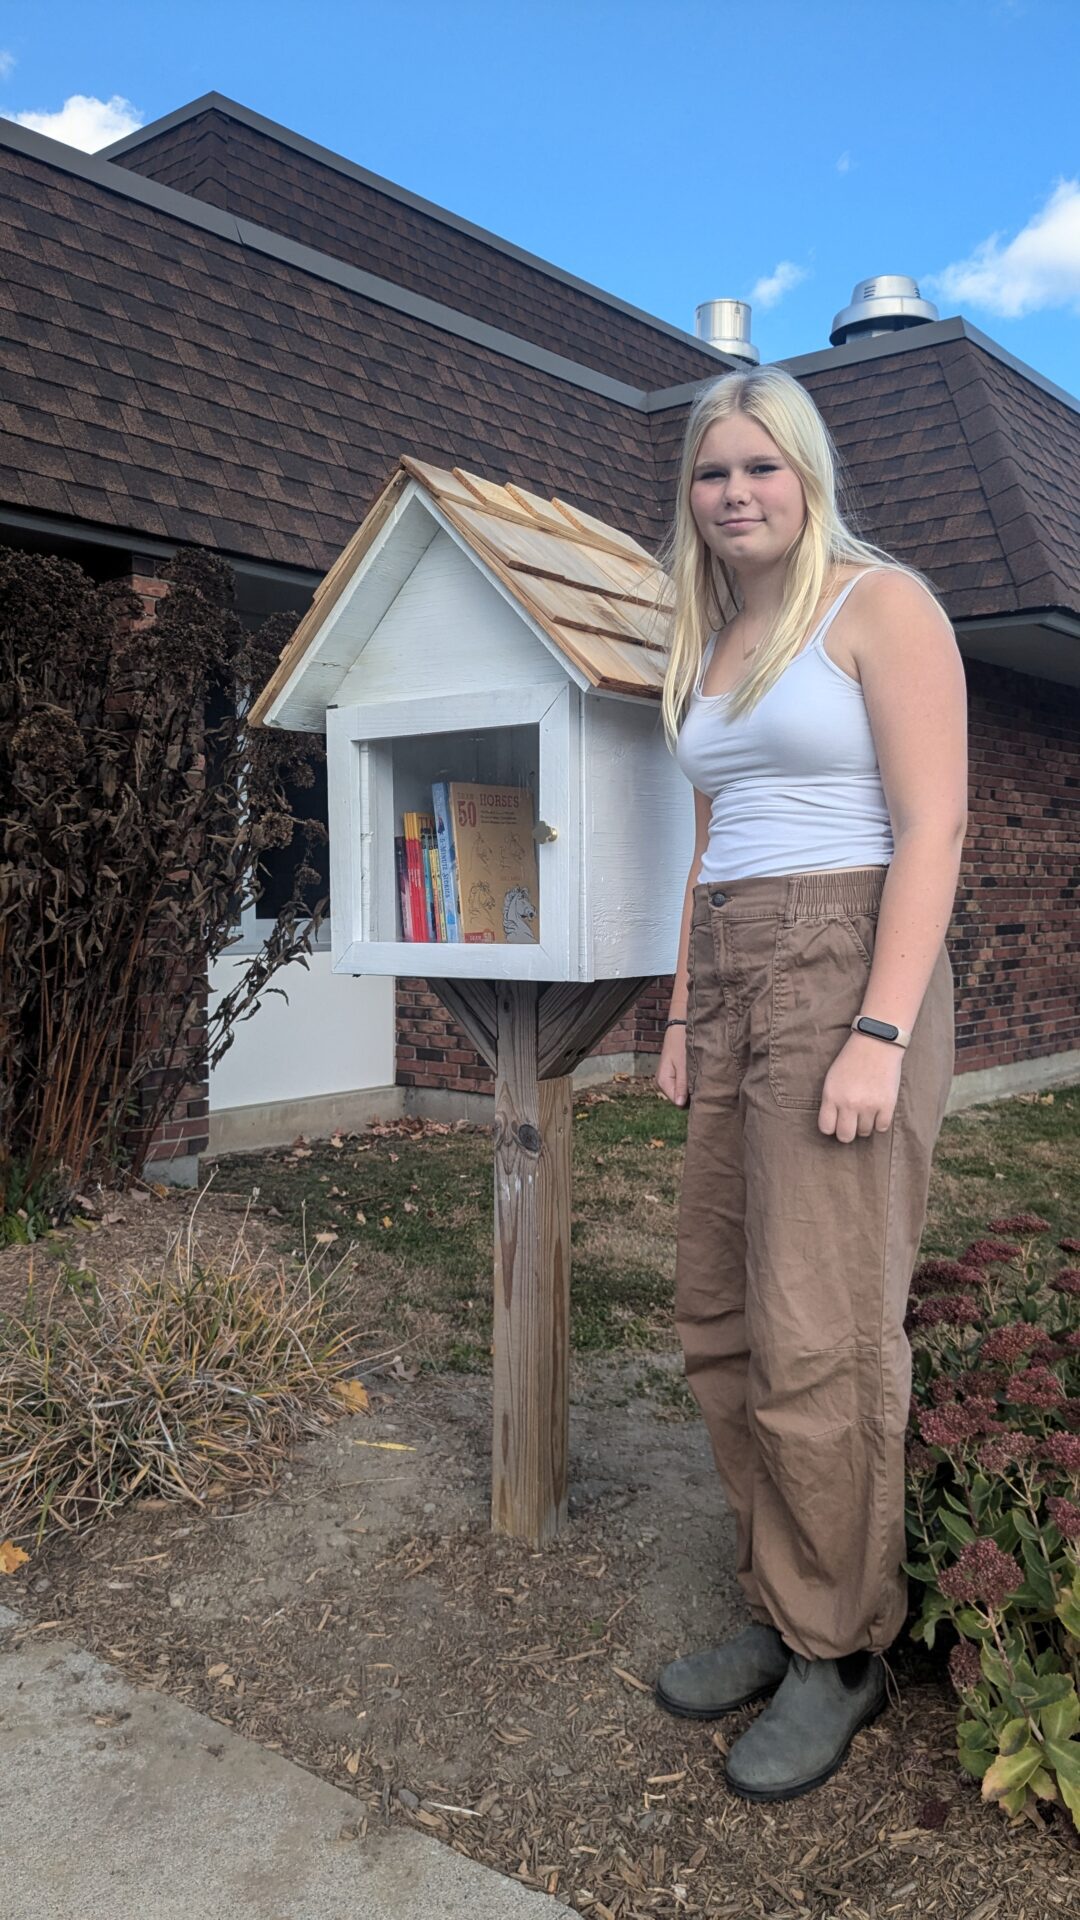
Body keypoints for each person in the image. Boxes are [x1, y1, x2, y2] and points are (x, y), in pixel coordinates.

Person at [652, 364, 967, 1803]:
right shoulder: (713, 636)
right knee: (719, 1312)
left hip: (846, 966)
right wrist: (676, 1012)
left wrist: (882, 1032)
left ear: (808, 473)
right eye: (715, 473)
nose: (737, 494)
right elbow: (712, 842)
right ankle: (787, 1606)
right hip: (730, 970)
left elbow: (937, 822)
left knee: (817, 1329)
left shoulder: (880, 605)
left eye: (761, 469)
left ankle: (841, 1649)